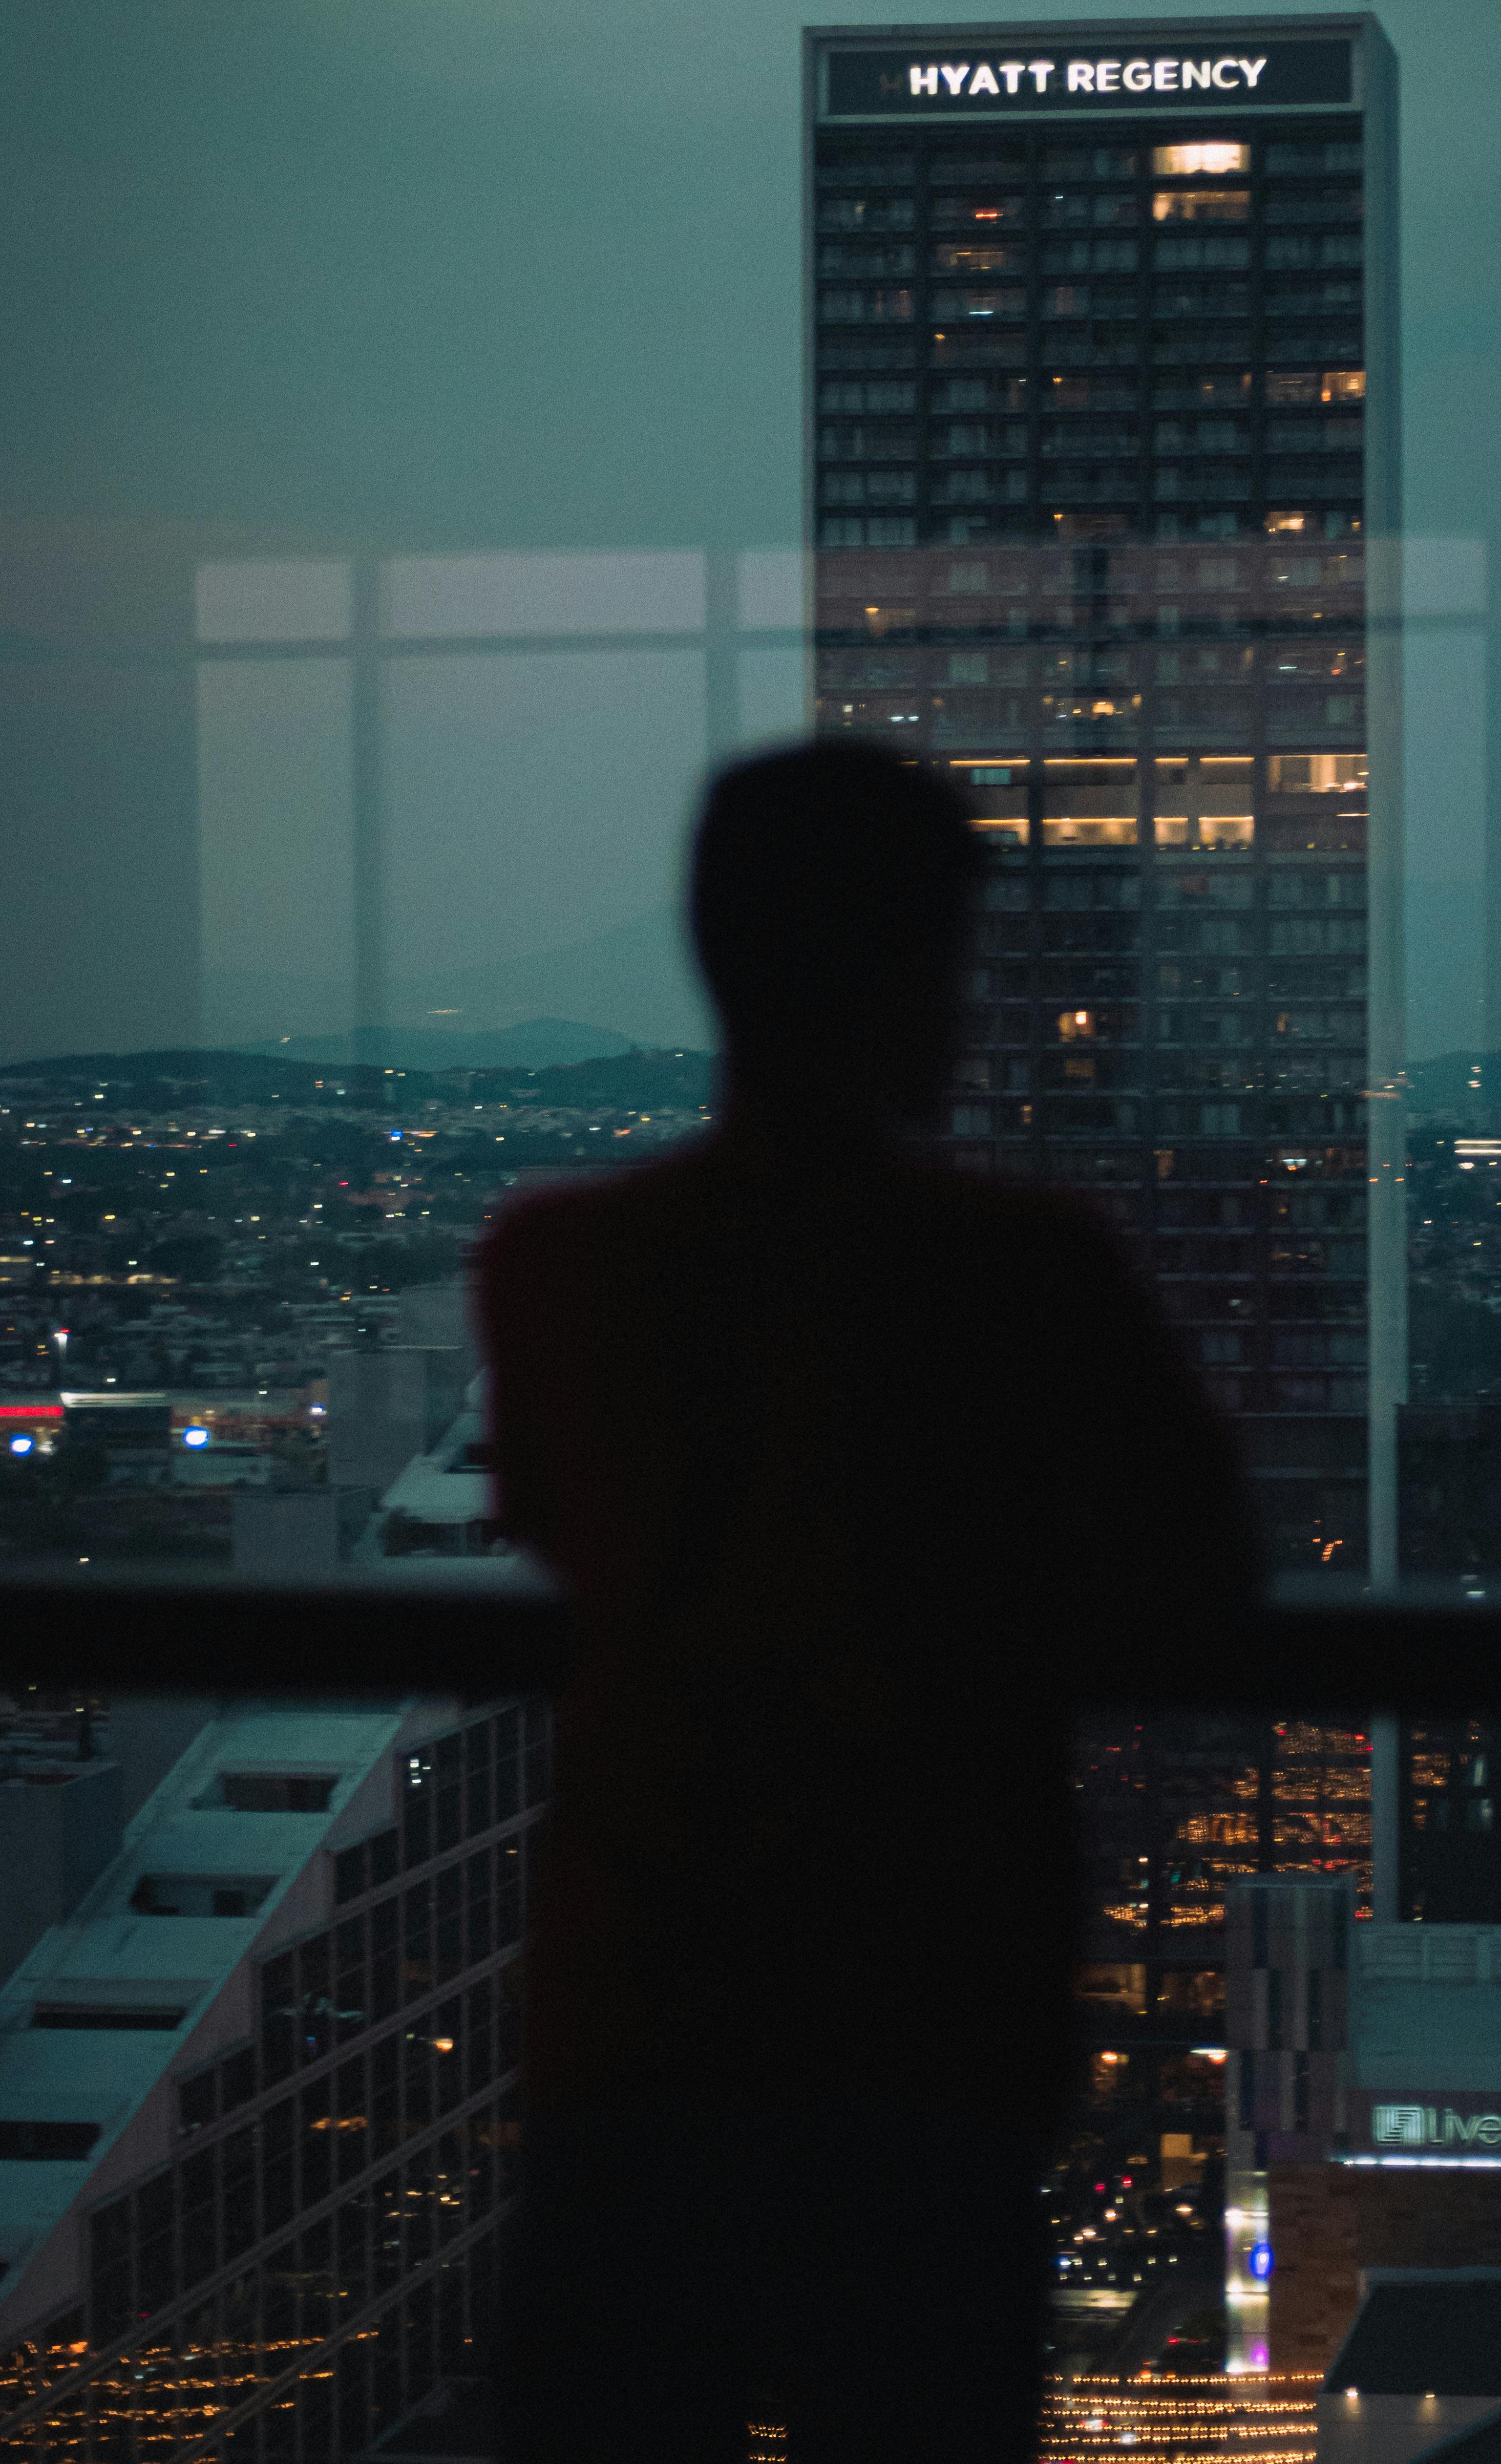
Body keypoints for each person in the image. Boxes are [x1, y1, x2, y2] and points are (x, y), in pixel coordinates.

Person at [480, 741, 1254, 2464]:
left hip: (638, 2020)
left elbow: (561, 1532)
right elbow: (1200, 1573)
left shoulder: (560, 1265)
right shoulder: (1029, 1272)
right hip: (932, 2025)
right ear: (920, 972)